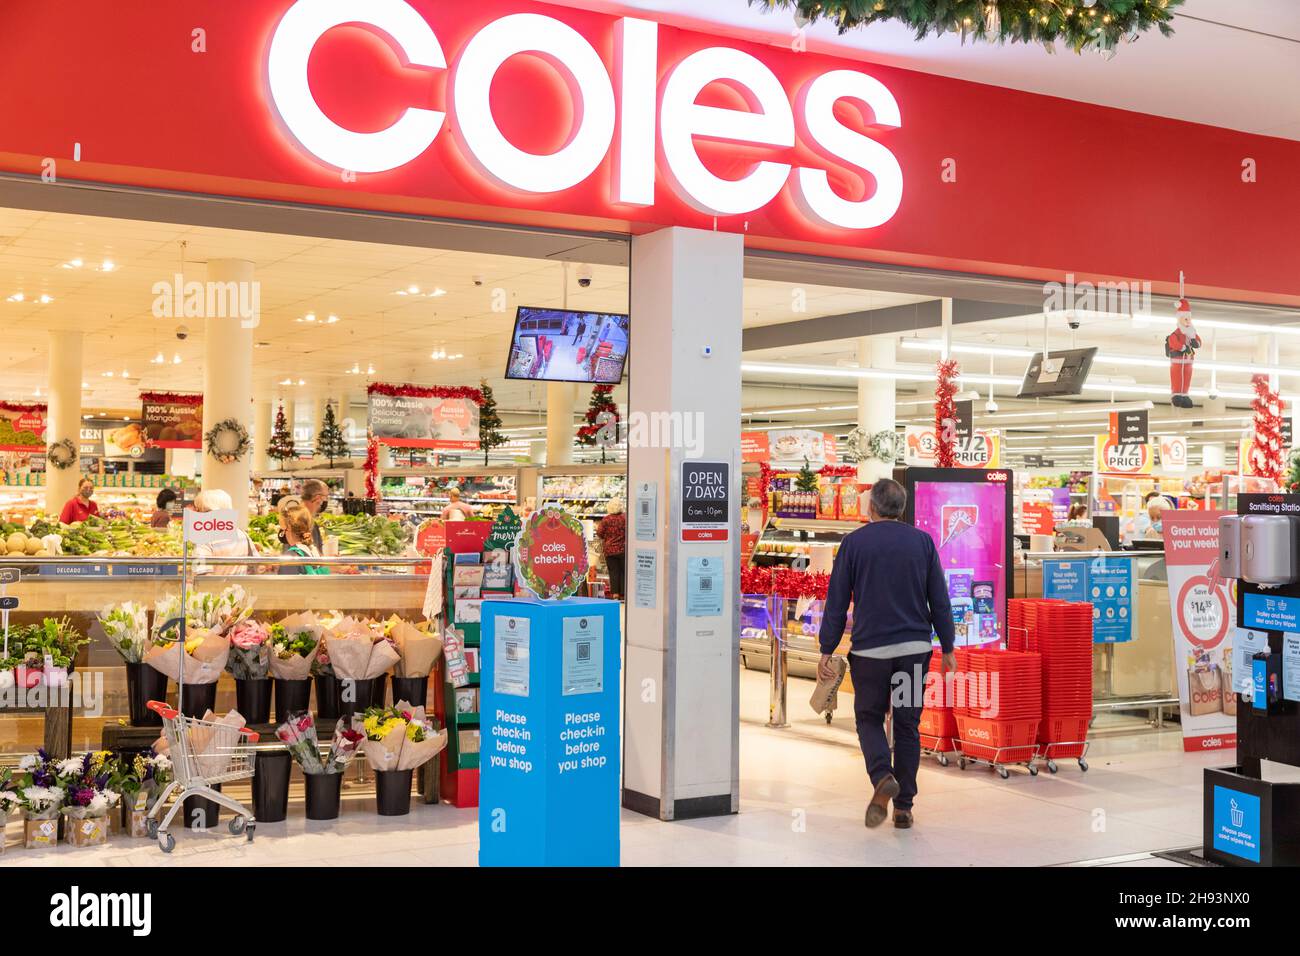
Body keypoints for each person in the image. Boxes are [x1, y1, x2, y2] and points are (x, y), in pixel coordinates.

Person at [817, 479, 955, 831]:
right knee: (907, 723)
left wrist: (827, 647)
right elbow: (939, 598)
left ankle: (881, 775)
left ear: (871, 508)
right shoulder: (922, 542)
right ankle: (904, 807)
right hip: (913, 651)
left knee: (868, 717)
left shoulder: (854, 544)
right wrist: (949, 645)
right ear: (902, 509)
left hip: (871, 652)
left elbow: (837, 600)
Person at [191, 488, 257, 575]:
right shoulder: (242, 534)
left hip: (215, 588)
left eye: (198, 509)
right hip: (240, 587)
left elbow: (203, 576)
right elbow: (258, 565)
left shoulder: (205, 539)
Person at [278, 501, 328, 575]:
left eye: (282, 528)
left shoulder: (290, 558)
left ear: (288, 529)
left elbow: (285, 585)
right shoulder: (313, 551)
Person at [595, 497, 626, 599]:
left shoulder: (606, 520)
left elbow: (599, 533)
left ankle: (615, 594)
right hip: (623, 549)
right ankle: (623, 594)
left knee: (613, 572)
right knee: (623, 571)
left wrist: (607, 537)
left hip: (610, 550)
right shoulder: (625, 518)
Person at [300, 478, 329, 551]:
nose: (326, 501)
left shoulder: (303, 517)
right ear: (318, 498)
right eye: (326, 497)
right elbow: (306, 557)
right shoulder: (302, 522)